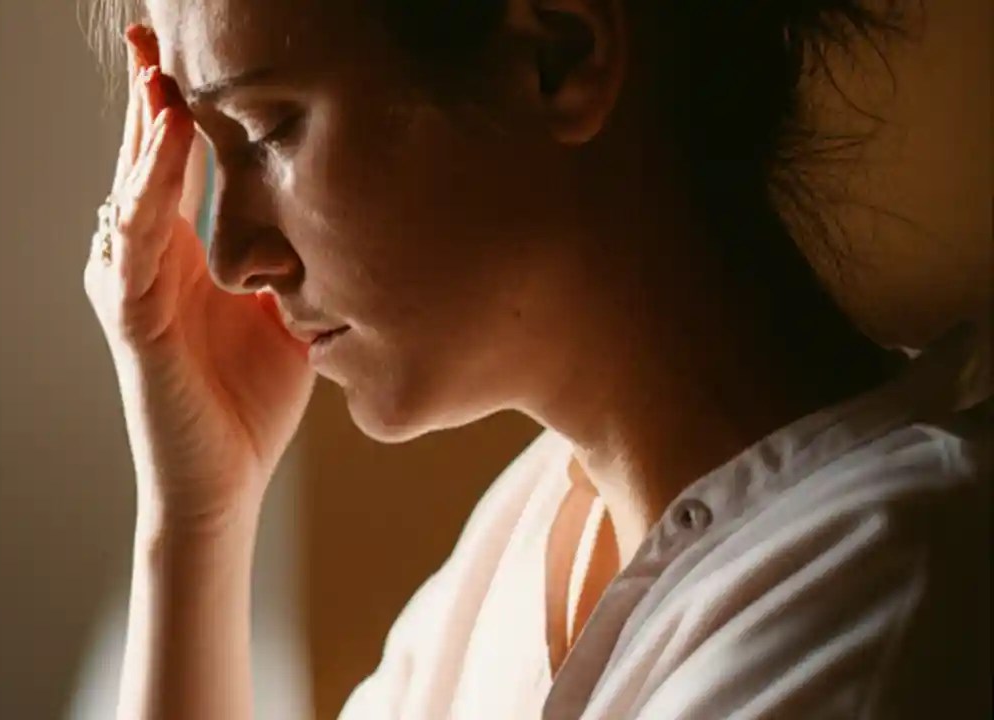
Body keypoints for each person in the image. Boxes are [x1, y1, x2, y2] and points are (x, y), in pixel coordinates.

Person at [80, 0, 991, 717]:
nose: (235, 258)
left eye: (269, 128)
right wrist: (197, 517)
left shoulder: (878, 606)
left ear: (558, 58)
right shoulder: (529, 535)